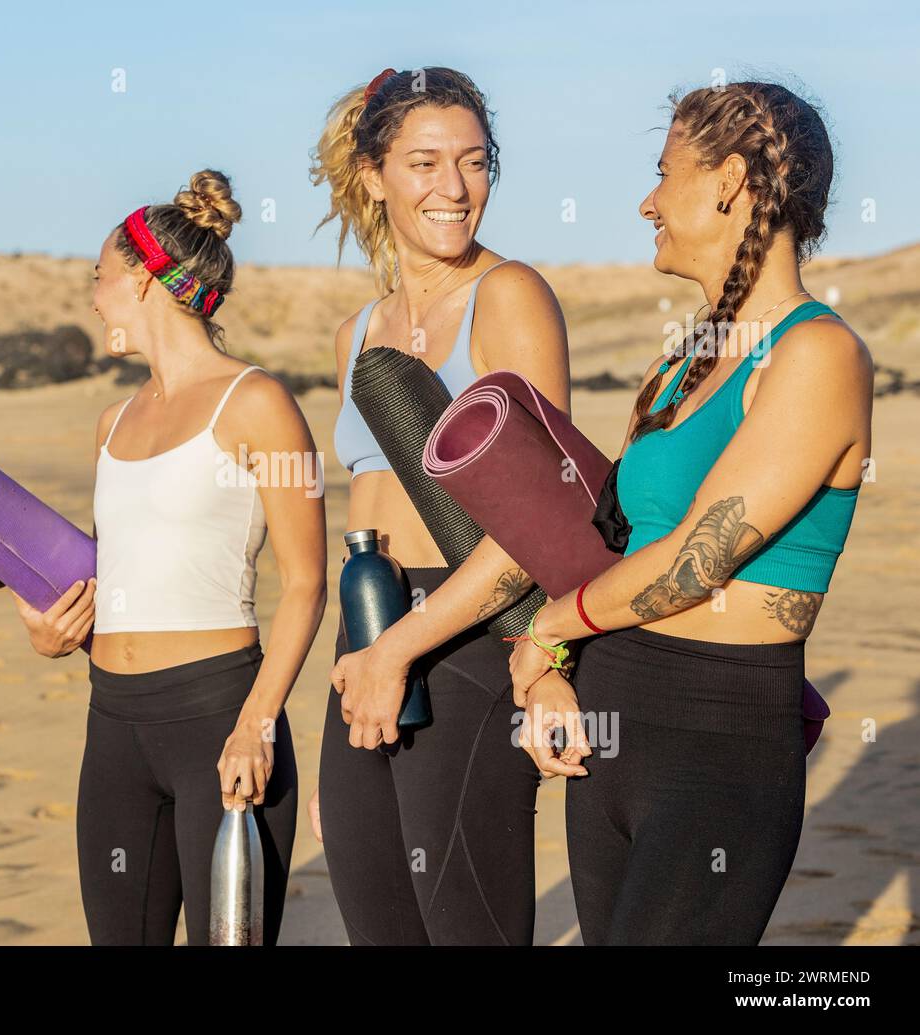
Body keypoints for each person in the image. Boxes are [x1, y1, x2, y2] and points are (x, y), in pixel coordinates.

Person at [508, 82, 872, 945]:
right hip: (612, 728)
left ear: (731, 180)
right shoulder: (690, 360)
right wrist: (551, 666)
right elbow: (617, 545)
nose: (647, 201)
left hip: (716, 747)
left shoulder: (817, 352)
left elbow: (692, 561)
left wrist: (545, 630)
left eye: (663, 173)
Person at [0, 171, 327, 945]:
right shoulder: (111, 420)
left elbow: (305, 584)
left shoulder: (259, 403)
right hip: (113, 724)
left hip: (219, 717)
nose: (94, 300)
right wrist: (19, 584)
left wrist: (256, 725)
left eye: (98, 279)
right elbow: (122, 567)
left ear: (139, 278)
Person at [309, 67, 580, 945]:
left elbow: (539, 521)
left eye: (473, 161)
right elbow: (364, 503)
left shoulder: (509, 296)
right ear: (373, 174)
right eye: (424, 162)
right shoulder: (357, 332)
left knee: (469, 924)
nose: (454, 189)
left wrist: (402, 649)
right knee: (377, 919)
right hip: (369, 628)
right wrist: (363, 654)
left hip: (470, 635)